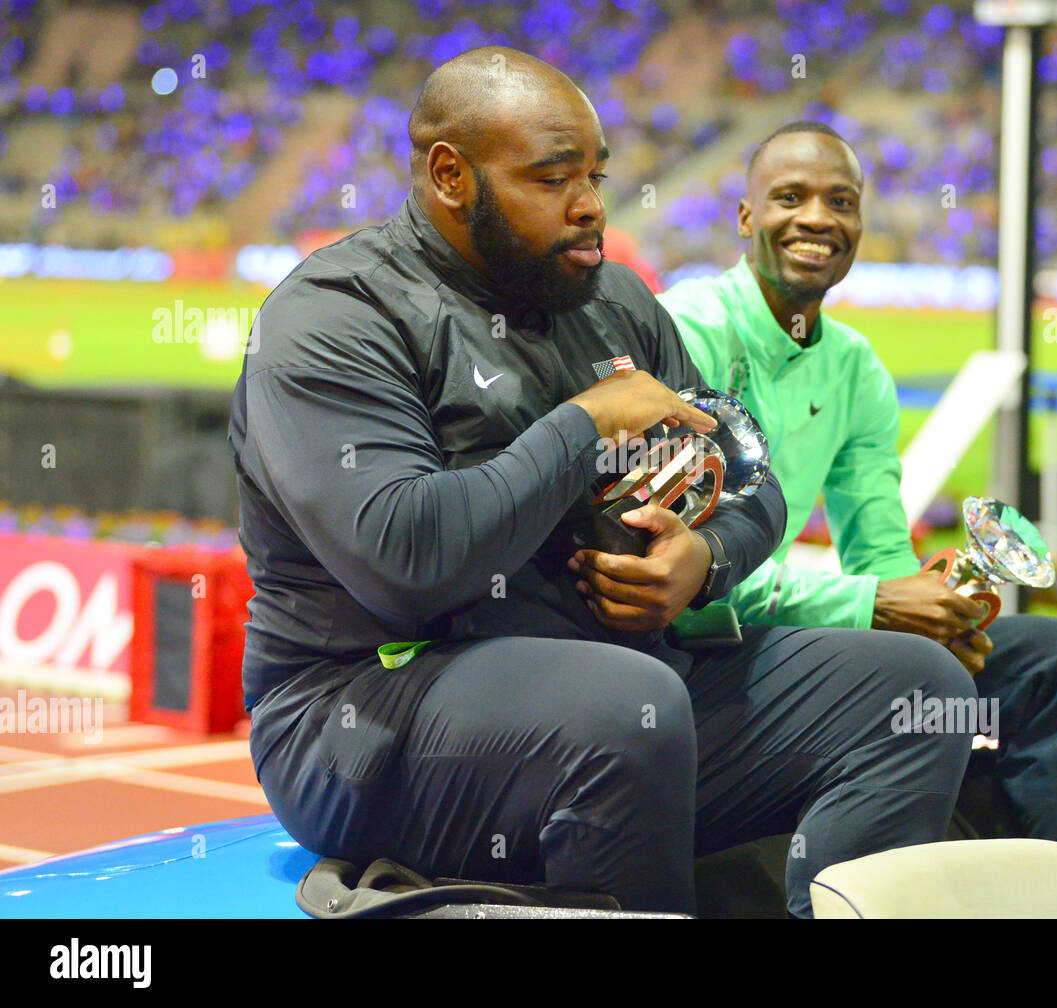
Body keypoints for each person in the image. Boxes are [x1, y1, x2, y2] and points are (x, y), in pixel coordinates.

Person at [229, 51, 978, 919]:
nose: (589, 204)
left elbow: (750, 474)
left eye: (596, 174)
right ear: (449, 175)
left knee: (920, 691)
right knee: (627, 709)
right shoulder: (334, 316)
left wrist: (704, 558)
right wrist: (587, 426)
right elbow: (407, 560)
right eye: (553, 178)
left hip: (623, 687)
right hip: (365, 706)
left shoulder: (615, 299)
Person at [659, 121, 1057, 851]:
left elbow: (880, 553)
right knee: (916, 675)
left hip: (785, 636)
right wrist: (877, 606)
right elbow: (682, 570)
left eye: (841, 201)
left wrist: (937, 615)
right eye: (789, 197)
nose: (817, 218)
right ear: (746, 218)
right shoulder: (692, 328)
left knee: (1052, 659)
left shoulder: (856, 367)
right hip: (690, 645)